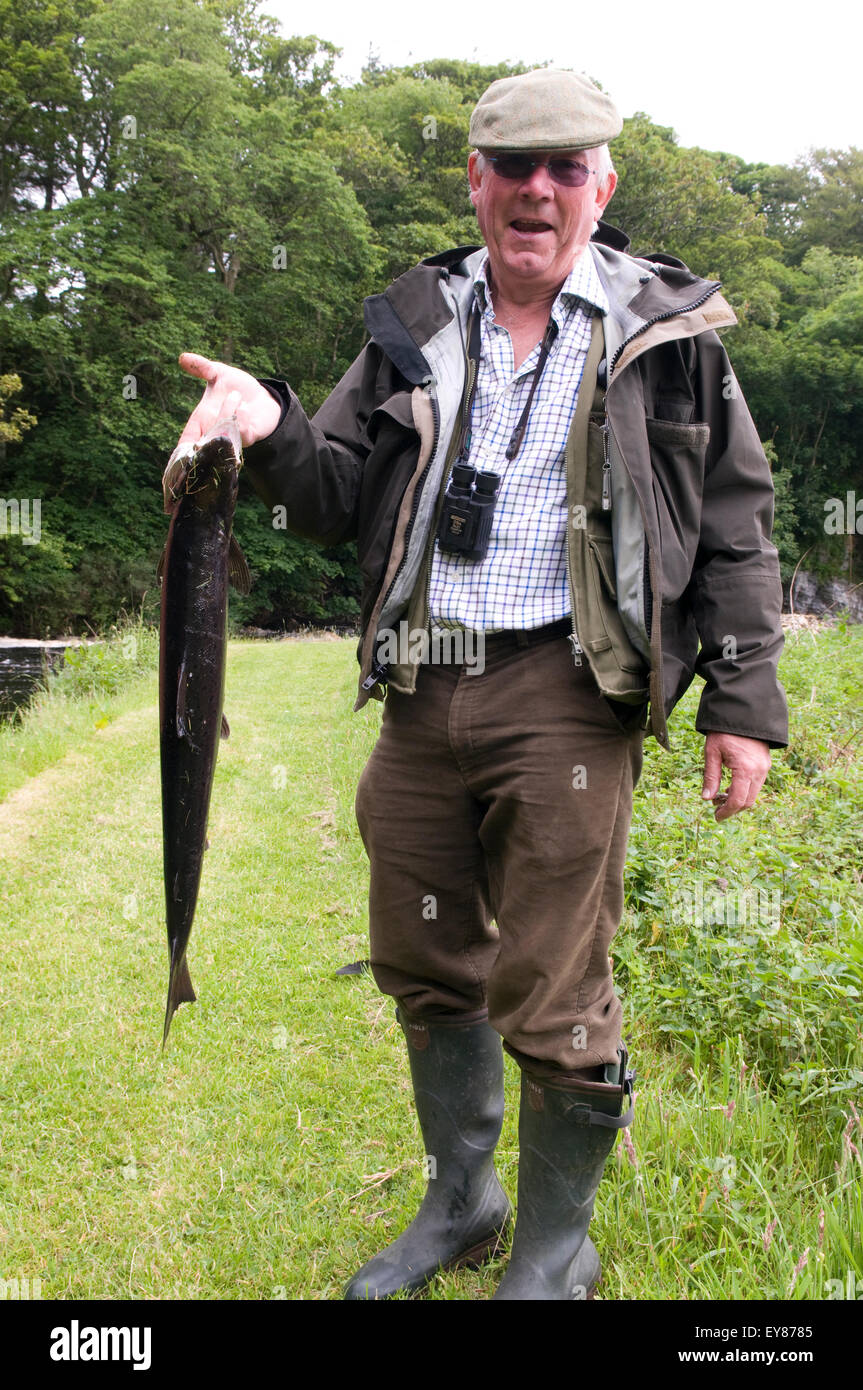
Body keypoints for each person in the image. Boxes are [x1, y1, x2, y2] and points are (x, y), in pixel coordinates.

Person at [174, 68, 788, 1301]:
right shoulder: (415, 321)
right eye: (514, 167)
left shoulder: (664, 339)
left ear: (599, 184)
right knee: (425, 954)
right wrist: (265, 422)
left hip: (569, 684)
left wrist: (742, 704)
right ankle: (463, 1202)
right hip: (420, 685)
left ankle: (555, 1249)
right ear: (475, 180)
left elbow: (735, 525)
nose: (537, 190)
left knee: (555, 981)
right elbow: (336, 487)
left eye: (566, 167)